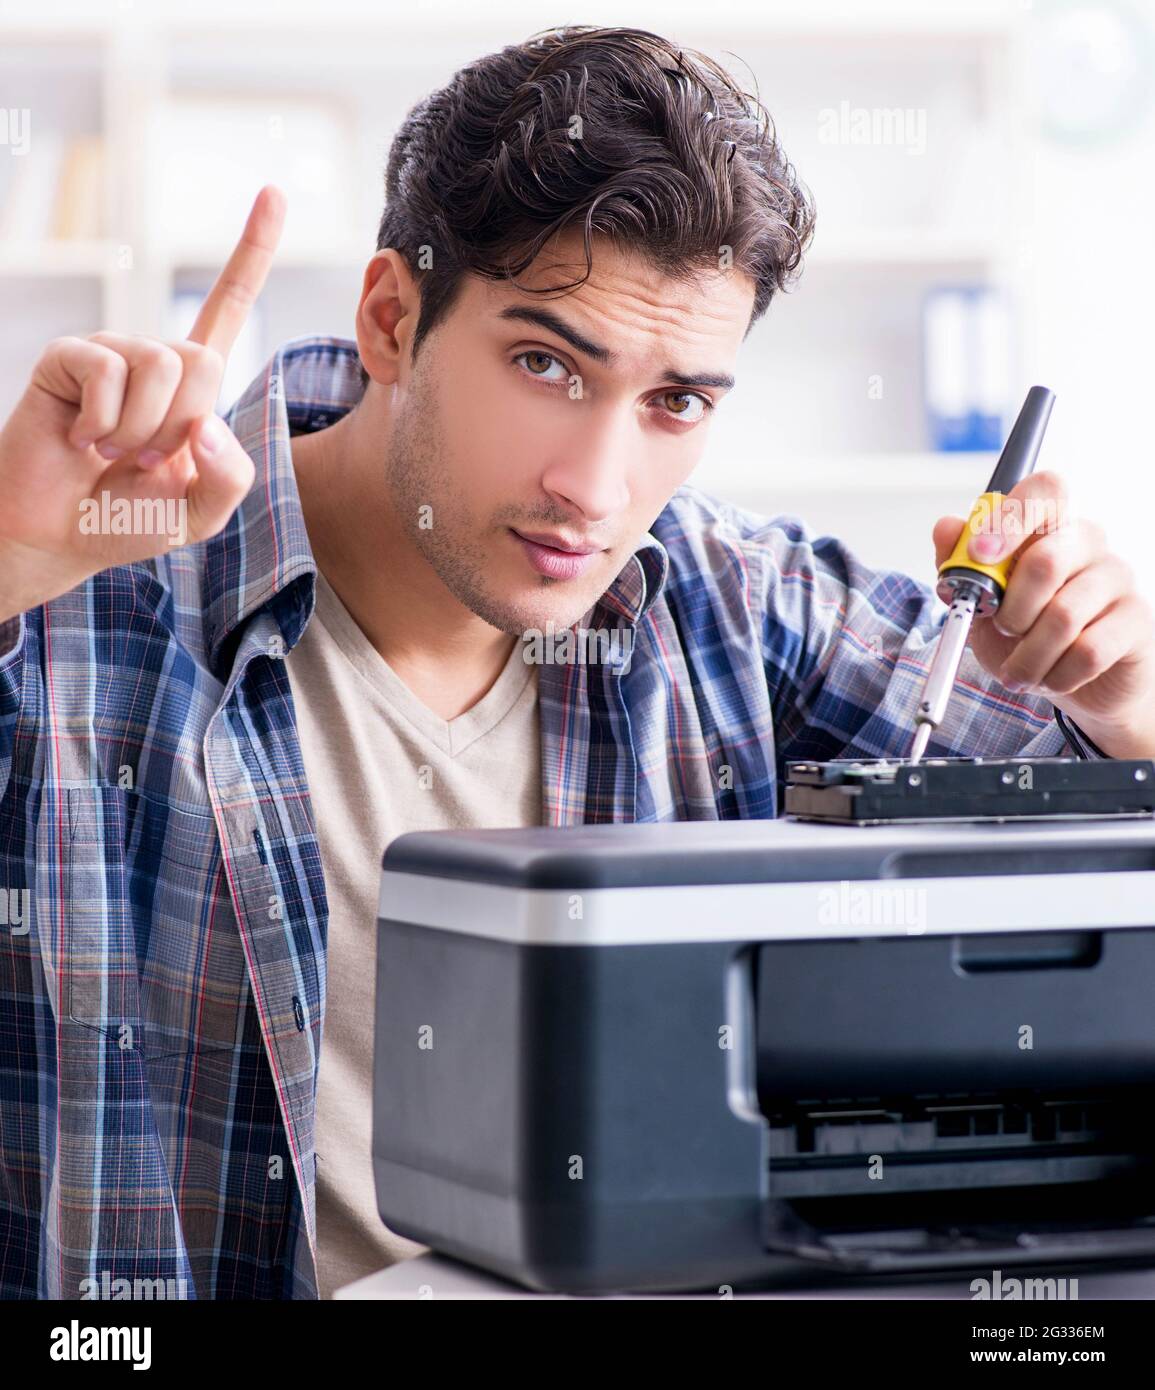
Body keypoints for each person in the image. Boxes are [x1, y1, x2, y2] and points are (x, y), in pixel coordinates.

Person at [1, 25, 1152, 1301]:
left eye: (677, 403)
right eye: (547, 363)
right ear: (392, 318)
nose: (596, 493)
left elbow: (1080, 855)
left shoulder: (732, 603)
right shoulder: (78, 595)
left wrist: (1121, 701)